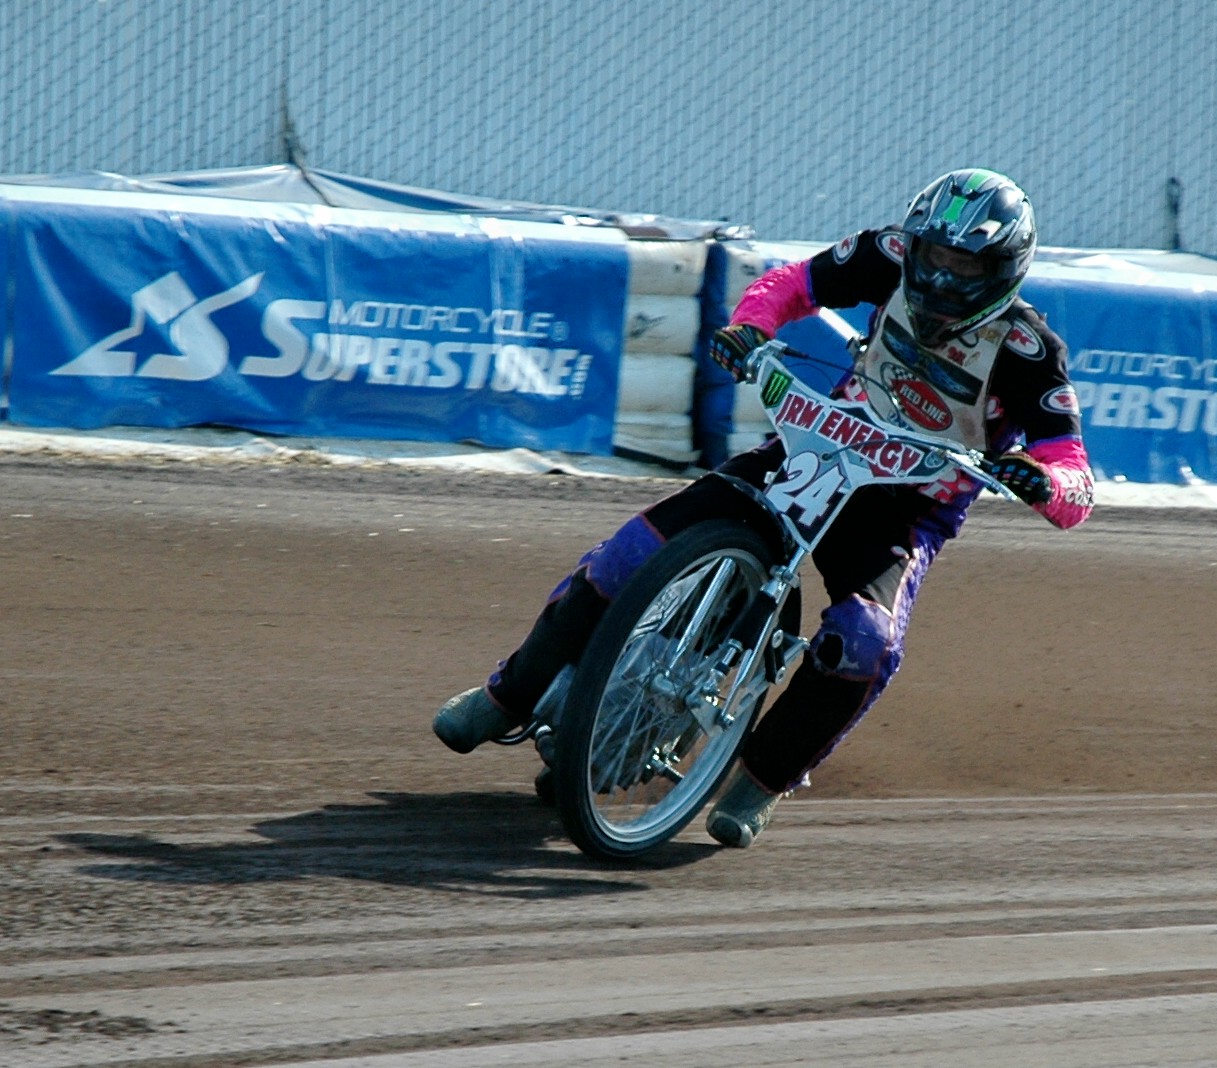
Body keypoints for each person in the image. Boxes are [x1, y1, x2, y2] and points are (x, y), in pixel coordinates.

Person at [433, 168, 1095, 847]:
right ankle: (502, 698)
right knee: (627, 555)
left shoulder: (1028, 352)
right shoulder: (883, 255)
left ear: (1003, 268)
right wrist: (750, 329)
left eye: (963, 264)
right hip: (812, 448)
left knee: (863, 644)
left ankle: (759, 782)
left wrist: (1042, 482)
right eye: (933, 256)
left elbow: (1075, 478)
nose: (941, 276)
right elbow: (789, 286)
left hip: (901, 512)